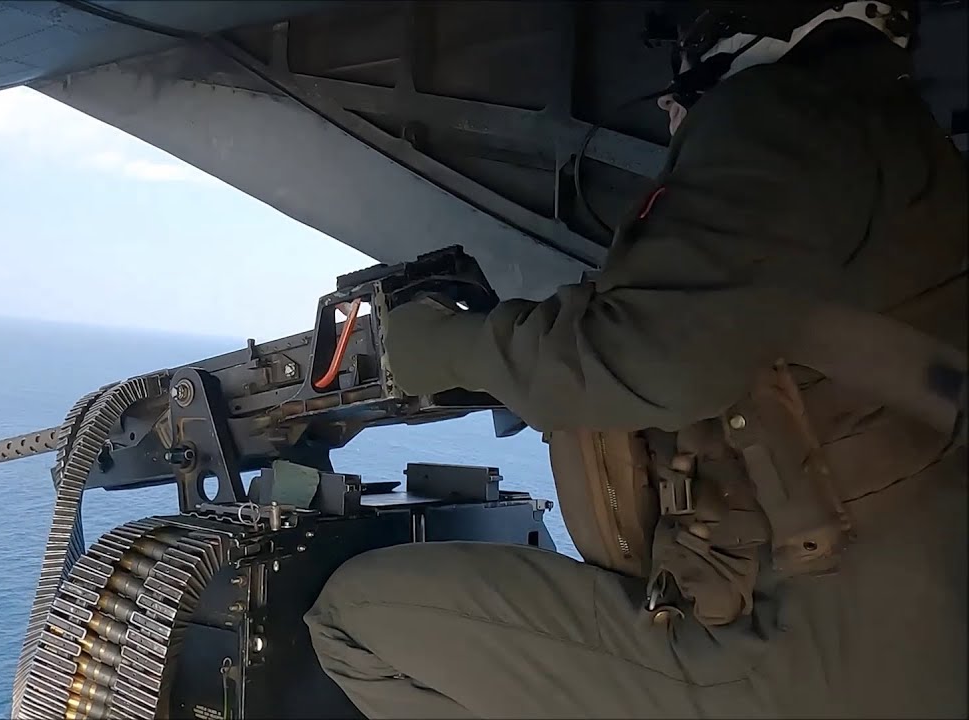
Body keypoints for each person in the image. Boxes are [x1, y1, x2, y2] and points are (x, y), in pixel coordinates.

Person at [304, 2, 967, 717]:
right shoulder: (908, 148)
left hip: (803, 652)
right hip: (914, 632)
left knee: (351, 619)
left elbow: (654, 359)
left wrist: (443, 346)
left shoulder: (786, 109)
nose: (669, 103)